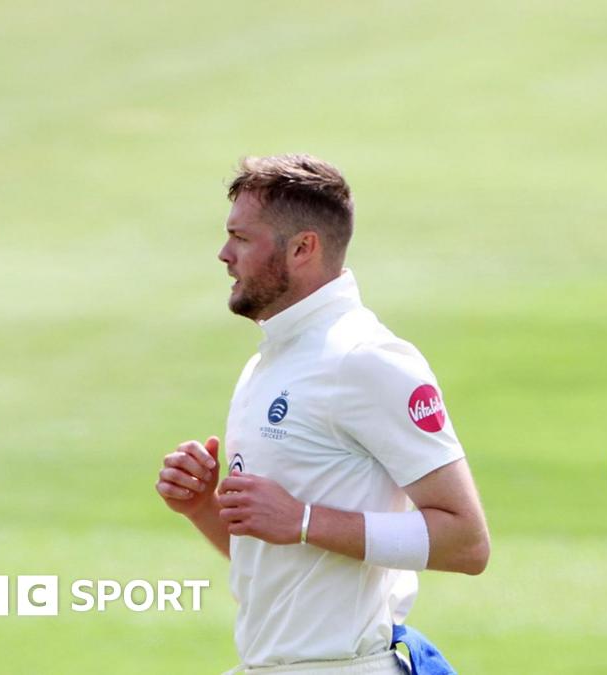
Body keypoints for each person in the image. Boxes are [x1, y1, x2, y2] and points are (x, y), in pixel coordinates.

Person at [155, 154, 490, 675]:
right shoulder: (269, 361)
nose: (224, 254)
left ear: (303, 247)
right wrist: (203, 507)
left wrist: (305, 520)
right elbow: (283, 563)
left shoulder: (366, 358)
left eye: (242, 238)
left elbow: (467, 542)